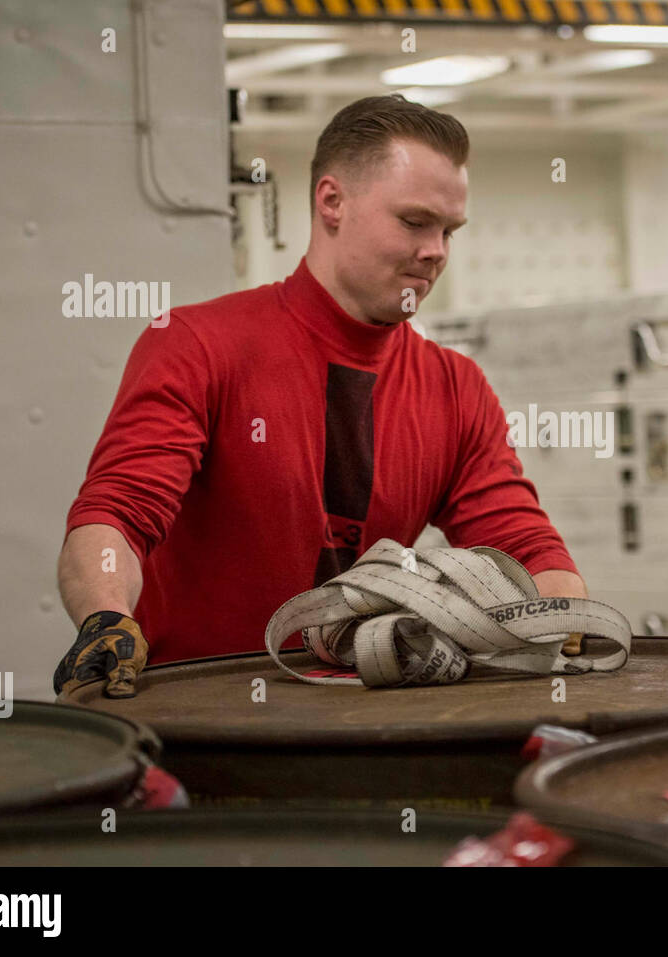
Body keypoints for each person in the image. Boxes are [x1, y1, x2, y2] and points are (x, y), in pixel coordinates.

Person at [54, 95, 587, 698]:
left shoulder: (456, 387)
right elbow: (118, 513)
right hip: (193, 717)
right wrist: (105, 617)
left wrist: (568, 616)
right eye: (414, 222)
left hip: (357, 722)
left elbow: (522, 543)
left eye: (449, 230)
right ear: (331, 202)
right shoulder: (196, 344)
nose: (436, 250)